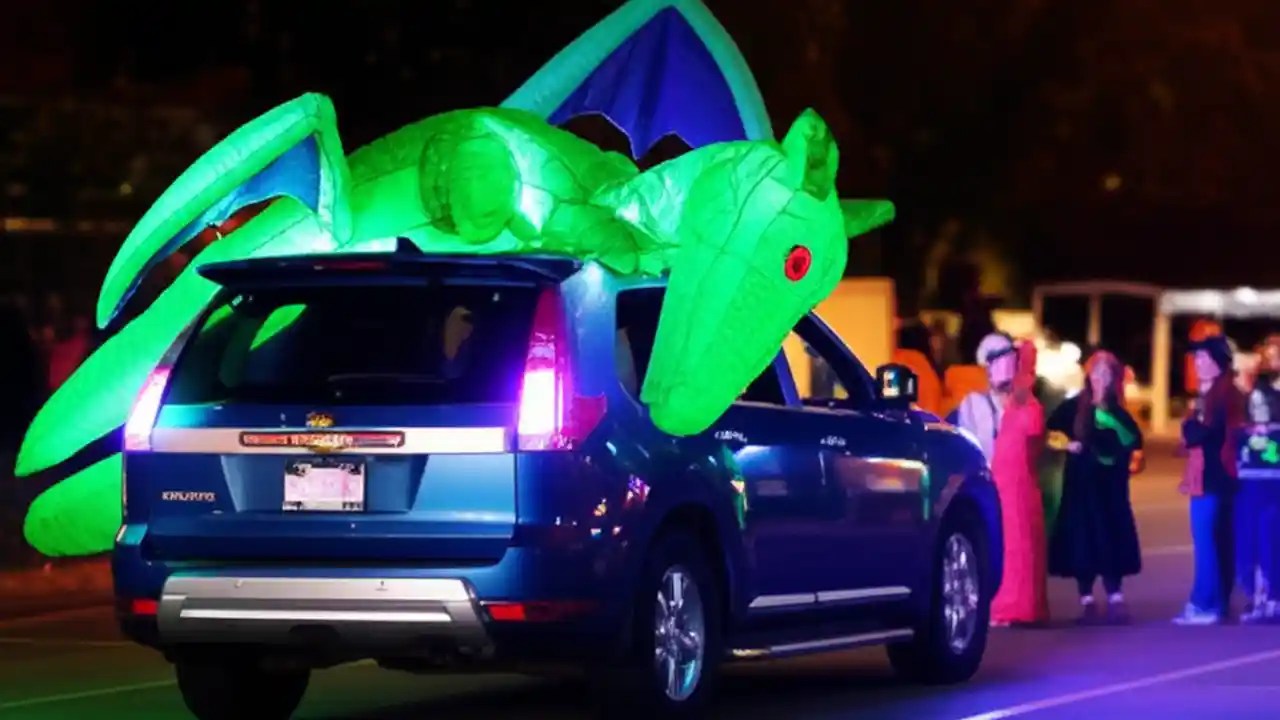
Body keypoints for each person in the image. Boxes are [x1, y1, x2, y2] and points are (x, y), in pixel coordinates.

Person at [956, 333, 1049, 626]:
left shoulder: (1024, 403)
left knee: (1020, 543)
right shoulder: (973, 404)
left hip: (1018, 485)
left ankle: (1020, 605)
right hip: (988, 482)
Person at [1047, 350, 1143, 625]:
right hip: (1081, 485)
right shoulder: (1074, 407)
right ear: (1089, 375)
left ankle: (1115, 595)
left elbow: (1134, 440)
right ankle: (1086, 598)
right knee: (1083, 537)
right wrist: (1067, 443)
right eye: (1097, 372)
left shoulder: (1117, 412)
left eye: (1107, 373)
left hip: (1110, 487)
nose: (1101, 378)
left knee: (1111, 535)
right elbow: (1049, 432)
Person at [1175, 334, 1245, 625]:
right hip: (1219, 477)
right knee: (1218, 541)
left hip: (1214, 478)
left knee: (1207, 543)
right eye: (1196, 358)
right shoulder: (1218, 393)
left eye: (1204, 358)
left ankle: (1206, 603)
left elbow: (1199, 434)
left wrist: (1190, 424)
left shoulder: (1222, 395)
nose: (1198, 363)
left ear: (1219, 361)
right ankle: (1216, 602)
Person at [1237, 334, 1280, 622]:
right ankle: (1260, 597)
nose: (1271, 357)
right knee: (1255, 537)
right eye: (1269, 353)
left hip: (1275, 477)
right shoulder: (1257, 389)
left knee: (1271, 536)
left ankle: (1271, 598)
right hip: (1254, 476)